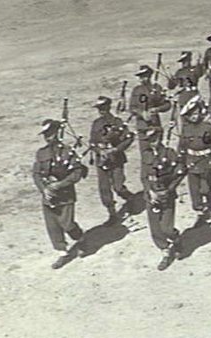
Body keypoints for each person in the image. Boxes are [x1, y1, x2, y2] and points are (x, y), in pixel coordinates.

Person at [32, 119, 86, 269]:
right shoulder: (41, 153)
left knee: (67, 224)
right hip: (49, 197)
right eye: (45, 135)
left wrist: (59, 185)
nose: (48, 137)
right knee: (53, 226)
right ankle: (62, 253)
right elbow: (36, 174)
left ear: (57, 133)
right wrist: (44, 189)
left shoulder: (68, 152)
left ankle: (80, 238)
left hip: (65, 195)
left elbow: (77, 173)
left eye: (50, 134)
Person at [140, 127, 187, 271]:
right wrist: (150, 192)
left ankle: (175, 239)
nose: (152, 143)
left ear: (160, 137)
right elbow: (144, 176)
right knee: (155, 228)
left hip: (166, 195)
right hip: (152, 196)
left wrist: (169, 189)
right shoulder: (146, 155)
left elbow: (180, 172)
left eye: (154, 139)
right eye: (149, 141)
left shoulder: (169, 153)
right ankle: (165, 252)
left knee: (166, 228)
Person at [88, 96, 135, 225]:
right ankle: (112, 214)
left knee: (118, 187)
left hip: (116, 159)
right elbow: (92, 142)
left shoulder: (117, 122)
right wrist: (99, 151)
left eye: (103, 108)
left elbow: (128, 138)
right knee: (104, 188)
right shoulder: (96, 123)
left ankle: (130, 199)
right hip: (102, 160)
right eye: (99, 109)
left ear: (108, 107)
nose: (101, 111)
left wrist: (116, 149)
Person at [178, 95, 211, 221]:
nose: (194, 116)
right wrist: (181, 163)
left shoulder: (208, 128)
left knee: (206, 188)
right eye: (191, 114)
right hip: (191, 163)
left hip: (205, 162)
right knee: (194, 191)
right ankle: (200, 210)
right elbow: (182, 147)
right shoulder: (186, 129)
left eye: (196, 113)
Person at [129, 65, 171, 150]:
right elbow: (131, 107)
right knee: (146, 155)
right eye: (140, 76)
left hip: (155, 125)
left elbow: (167, 105)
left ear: (150, 76)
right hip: (142, 127)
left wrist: (157, 109)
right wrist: (141, 113)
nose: (142, 78)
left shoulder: (156, 88)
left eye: (144, 76)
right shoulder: (136, 90)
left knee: (158, 151)